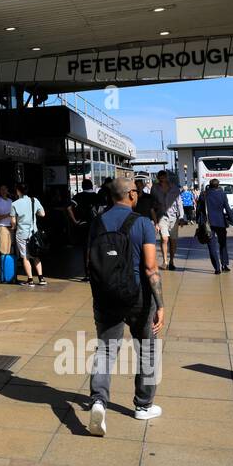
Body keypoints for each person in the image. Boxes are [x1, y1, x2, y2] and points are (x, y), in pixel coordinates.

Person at [86, 176, 164, 436]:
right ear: (130, 195)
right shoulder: (142, 223)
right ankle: (143, 405)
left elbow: (90, 262)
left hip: (106, 297)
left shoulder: (97, 223)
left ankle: (98, 401)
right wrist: (160, 304)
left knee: (106, 351)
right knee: (147, 350)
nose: (138, 194)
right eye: (136, 191)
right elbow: (151, 267)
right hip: (138, 297)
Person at [197, 177, 233, 274]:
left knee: (211, 246)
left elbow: (199, 210)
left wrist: (199, 222)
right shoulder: (222, 194)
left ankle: (217, 268)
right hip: (221, 222)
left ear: (209, 185)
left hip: (208, 224)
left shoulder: (203, 195)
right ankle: (225, 264)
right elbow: (227, 209)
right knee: (223, 244)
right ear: (218, 185)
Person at [11, 183, 46, 287]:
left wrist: (13, 227)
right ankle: (41, 278)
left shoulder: (14, 204)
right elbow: (43, 214)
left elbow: (13, 222)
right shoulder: (34, 200)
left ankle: (30, 280)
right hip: (33, 233)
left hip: (22, 234)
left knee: (25, 257)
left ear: (18, 191)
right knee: (36, 255)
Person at [151, 170, 183, 270]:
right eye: (160, 178)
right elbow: (152, 204)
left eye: (164, 177)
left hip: (173, 217)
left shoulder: (174, 188)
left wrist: (181, 217)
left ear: (167, 177)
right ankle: (165, 261)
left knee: (173, 240)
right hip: (162, 216)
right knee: (165, 239)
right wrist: (155, 222)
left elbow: (179, 203)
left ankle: (172, 260)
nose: (162, 179)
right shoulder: (155, 188)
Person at [0, 183, 14, 262]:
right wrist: (6, 215)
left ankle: (8, 271)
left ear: (7, 190)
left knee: (9, 250)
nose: (3, 191)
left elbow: (13, 215)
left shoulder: (10, 201)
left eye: (5, 189)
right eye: (2, 189)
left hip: (10, 227)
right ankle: (3, 272)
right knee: (4, 251)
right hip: (2, 227)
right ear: (0, 191)